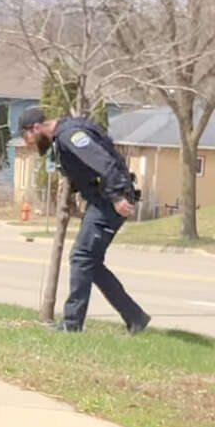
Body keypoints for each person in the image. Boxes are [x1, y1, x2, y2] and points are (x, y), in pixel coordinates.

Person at [18, 106, 151, 334]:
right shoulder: (64, 136)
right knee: (90, 263)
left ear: (37, 127)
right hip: (103, 199)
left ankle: (72, 324)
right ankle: (135, 317)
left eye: (26, 136)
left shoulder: (70, 135)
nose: (28, 143)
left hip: (110, 200)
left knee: (81, 258)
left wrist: (118, 196)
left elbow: (104, 162)